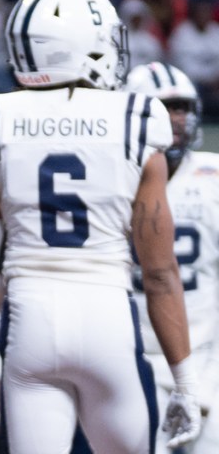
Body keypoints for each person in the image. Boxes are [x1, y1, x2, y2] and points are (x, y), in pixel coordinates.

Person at [0, 0, 202, 453]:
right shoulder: (138, 118)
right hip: (107, 318)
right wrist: (185, 381)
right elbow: (161, 273)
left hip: (29, 325)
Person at [125, 61, 219, 453]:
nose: (176, 118)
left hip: (208, 357)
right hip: (134, 358)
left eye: (182, 107)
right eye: (164, 107)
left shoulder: (214, 175)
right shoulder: (112, 178)